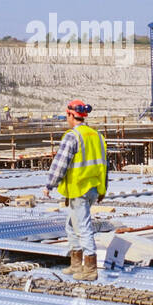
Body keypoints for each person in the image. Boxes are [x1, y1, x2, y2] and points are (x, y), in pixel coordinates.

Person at [43, 99, 108, 281]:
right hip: (93, 188)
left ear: (72, 115)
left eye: (66, 115)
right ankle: (75, 264)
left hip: (79, 189)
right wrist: (103, 189)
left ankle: (90, 268)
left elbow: (60, 164)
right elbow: (105, 165)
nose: (66, 118)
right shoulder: (96, 136)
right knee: (71, 226)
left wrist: (50, 185)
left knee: (83, 227)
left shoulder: (73, 136)